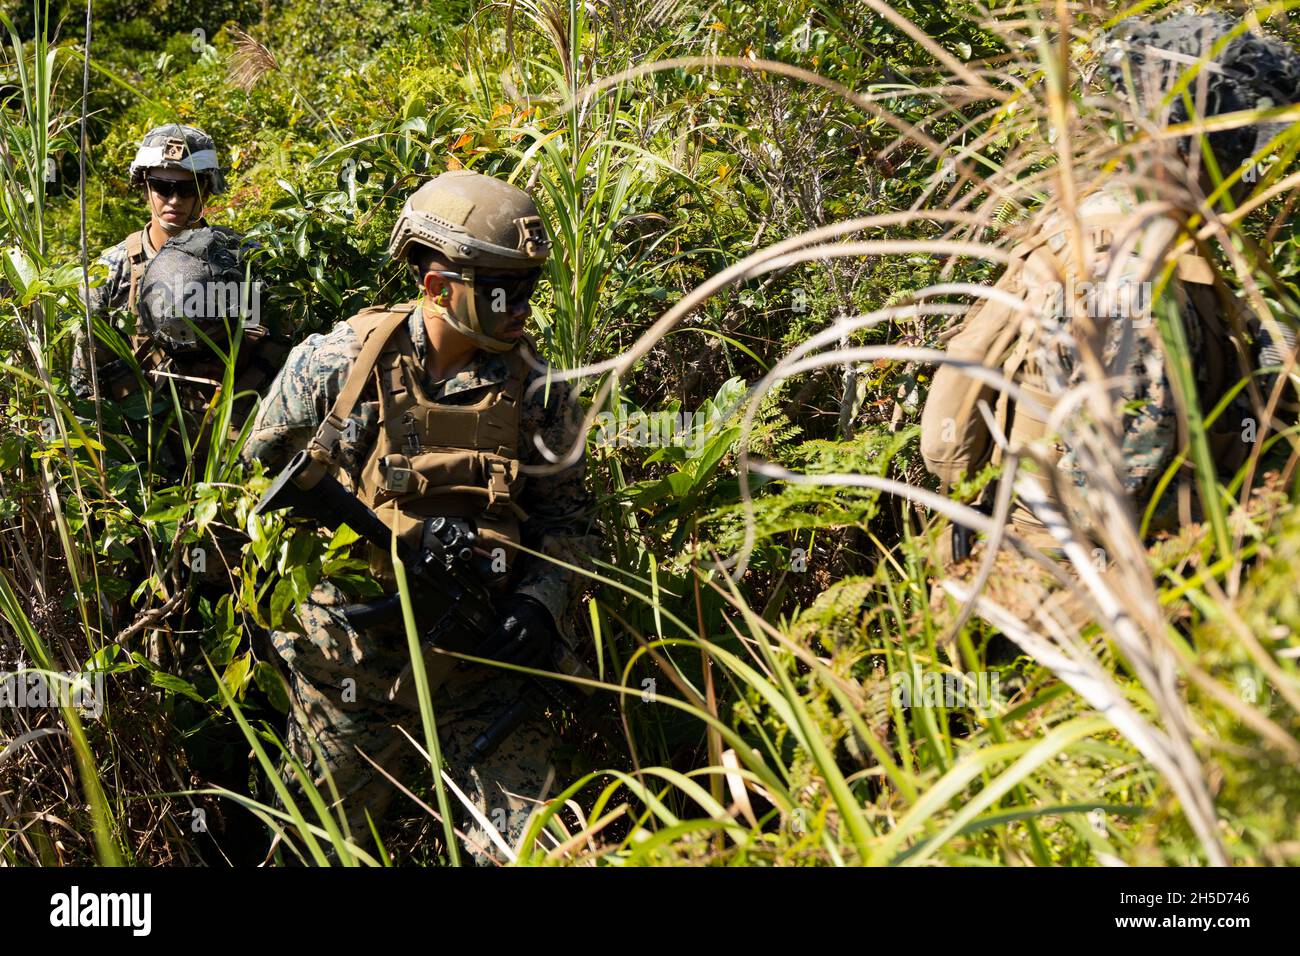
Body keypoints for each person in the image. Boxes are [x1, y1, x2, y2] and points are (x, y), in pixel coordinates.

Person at [242, 169, 598, 863]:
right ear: (438, 288)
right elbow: (262, 481)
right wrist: (390, 531)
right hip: (349, 674)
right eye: (505, 289)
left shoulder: (542, 395)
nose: (523, 305)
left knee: (544, 853)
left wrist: (538, 603)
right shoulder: (337, 363)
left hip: (479, 669)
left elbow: (572, 520)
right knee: (310, 852)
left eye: (529, 286)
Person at [919, 14, 1300, 562]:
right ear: (1221, 148)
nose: (1261, 174)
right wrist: (1270, 456)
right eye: (1256, 150)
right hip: (1074, 597)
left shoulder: (1102, 217)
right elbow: (1103, 501)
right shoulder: (1136, 275)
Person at [72, 123, 286, 478]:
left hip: (229, 448)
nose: (173, 200)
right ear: (144, 185)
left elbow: (280, 344)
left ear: (206, 188)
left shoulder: (241, 259)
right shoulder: (111, 270)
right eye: (162, 186)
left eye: (186, 188)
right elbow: (86, 378)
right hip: (143, 452)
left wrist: (244, 383)